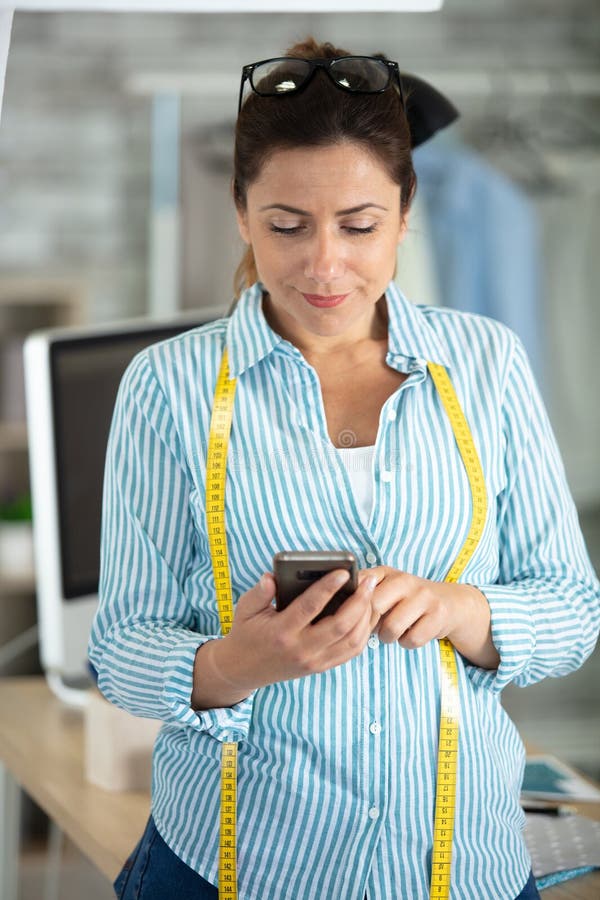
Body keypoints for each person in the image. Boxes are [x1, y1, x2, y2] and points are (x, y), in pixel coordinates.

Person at [89, 37, 600, 900]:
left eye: (359, 226)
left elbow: (573, 610)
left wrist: (460, 608)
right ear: (242, 212)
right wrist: (239, 663)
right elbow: (121, 649)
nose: (324, 264)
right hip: (237, 865)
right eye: (287, 225)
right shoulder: (169, 385)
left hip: (456, 867)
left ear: (406, 213)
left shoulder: (487, 365)